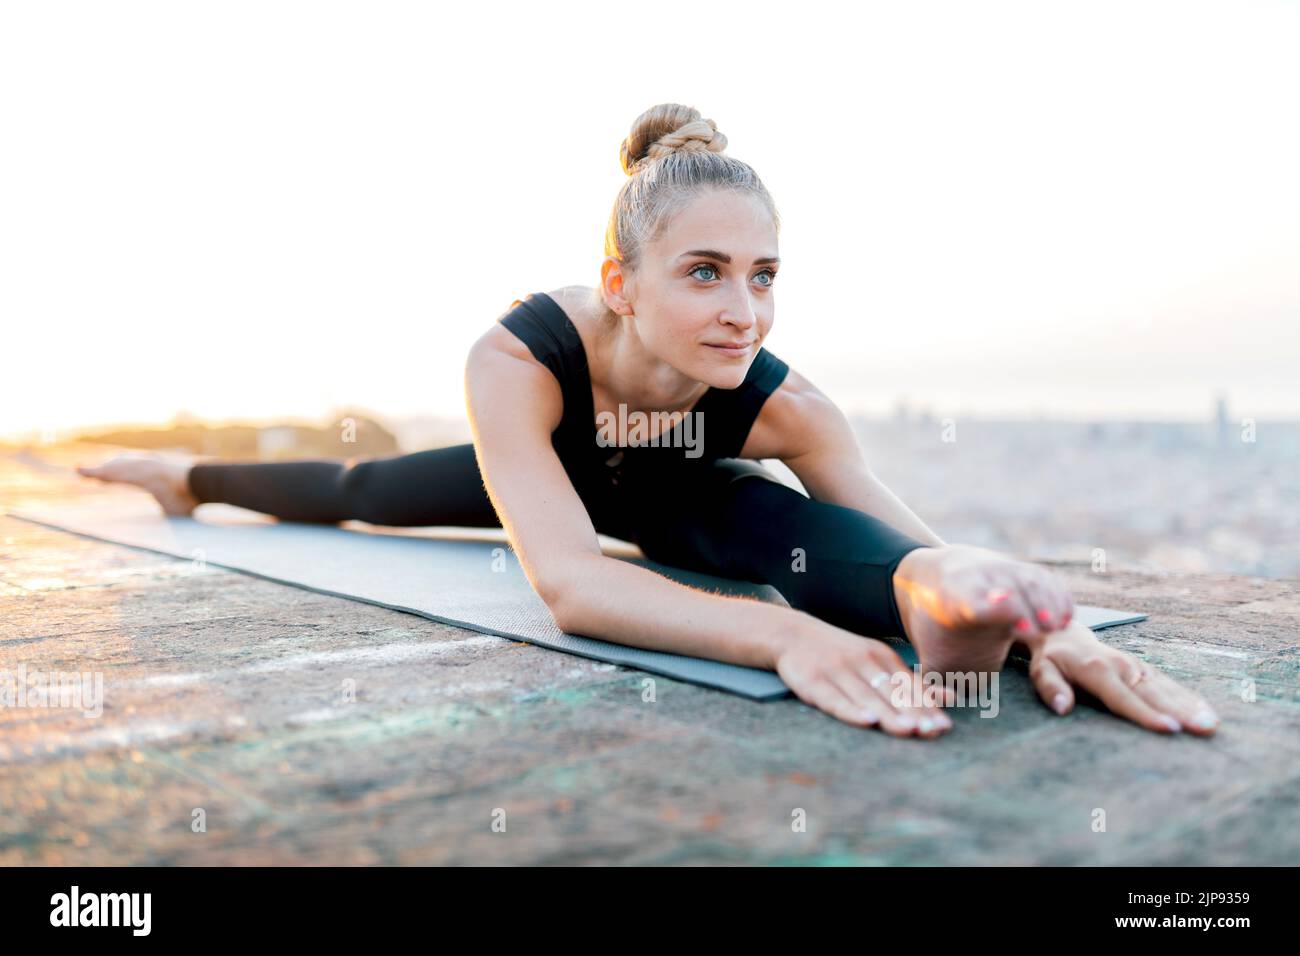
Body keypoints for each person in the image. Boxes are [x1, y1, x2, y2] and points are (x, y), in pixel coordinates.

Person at [78, 103, 1220, 740]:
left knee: (772, 525)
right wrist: (782, 637)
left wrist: (1026, 617)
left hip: (683, 492)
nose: (743, 310)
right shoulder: (519, 355)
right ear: (620, 282)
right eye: (706, 272)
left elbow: (892, 528)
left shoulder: (782, 401)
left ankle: (940, 619)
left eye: (764, 275)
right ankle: (188, 474)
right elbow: (568, 580)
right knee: (361, 490)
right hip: (554, 477)